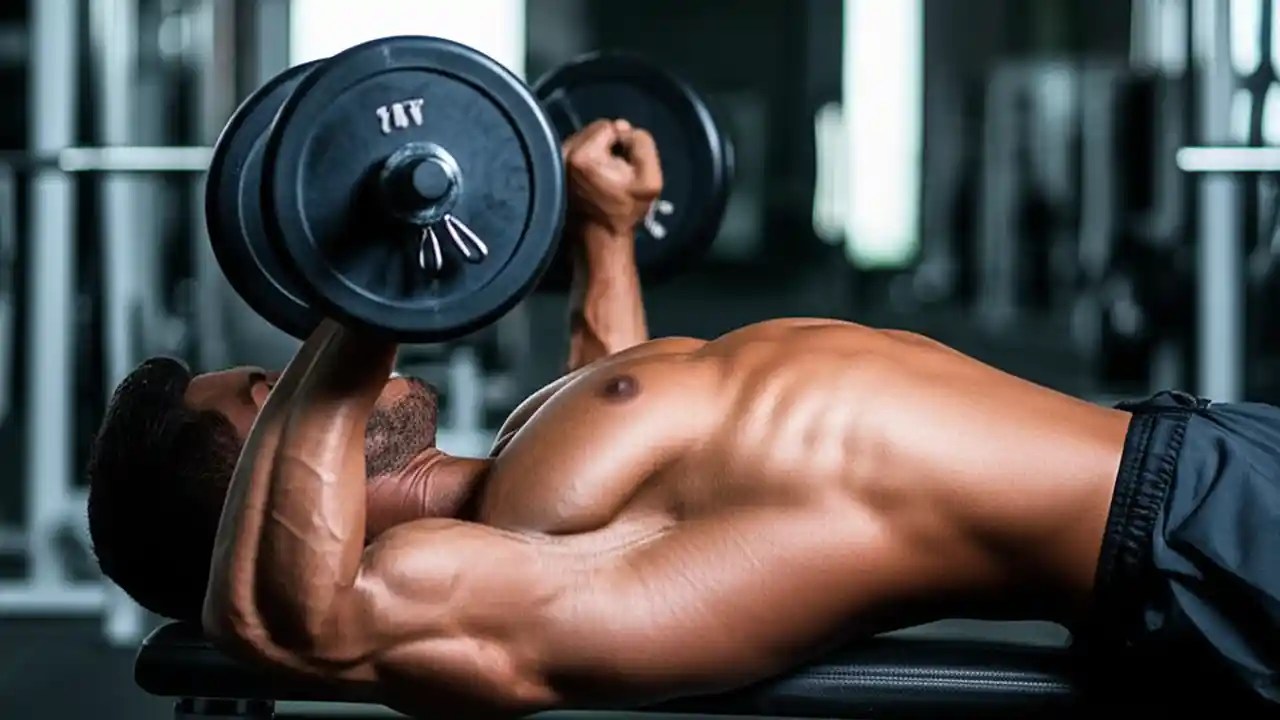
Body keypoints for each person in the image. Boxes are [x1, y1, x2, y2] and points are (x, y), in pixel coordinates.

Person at [89, 121, 1278, 716]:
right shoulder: (470, 580)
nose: (293, 371)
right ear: (255, 491)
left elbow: (639, 391)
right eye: (266, 391)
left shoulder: (535, 486)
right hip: (1182, 529)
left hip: (1195, 458)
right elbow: (297, 619)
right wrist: (361, 303)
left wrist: (601, 236)